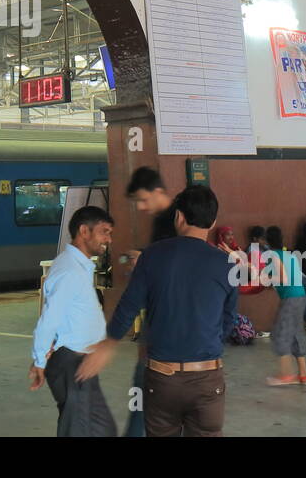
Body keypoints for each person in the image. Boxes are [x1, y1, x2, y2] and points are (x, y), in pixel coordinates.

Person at [77, 186, 237, 437]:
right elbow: (229, 320)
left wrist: (109, 343)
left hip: (163, 378)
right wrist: (208, 346)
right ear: (213, 221)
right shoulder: (227, 264)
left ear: (179, 217)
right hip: (207, 377)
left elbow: (129, 306)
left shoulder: (152, 255)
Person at [29, 206, 117, 437]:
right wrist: (39, 360)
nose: (109, 239)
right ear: (84, 231)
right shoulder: (70, 270)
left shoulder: (79, 266)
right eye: (104, 231)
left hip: (83, 364)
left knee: (103, 430)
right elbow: (49, 320)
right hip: (72, 365)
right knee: (78, 430)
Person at [121, 166, 175, 438]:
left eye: (143, 200)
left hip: (167, 324)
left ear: (157, 192)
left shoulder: (175, 219)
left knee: (144, 393)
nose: (141, 207)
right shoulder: (162, 219)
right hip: (160, 322)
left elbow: (174, 265)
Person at [265, 226, 306, 387]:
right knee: (296, 334)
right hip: (301, 296)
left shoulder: (272, 255)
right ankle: (304, 375)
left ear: (265, 241)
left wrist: (267, 279)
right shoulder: (288, 255)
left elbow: (283, 279)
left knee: (279, 334)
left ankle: (286, 375)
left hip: (290, 299)